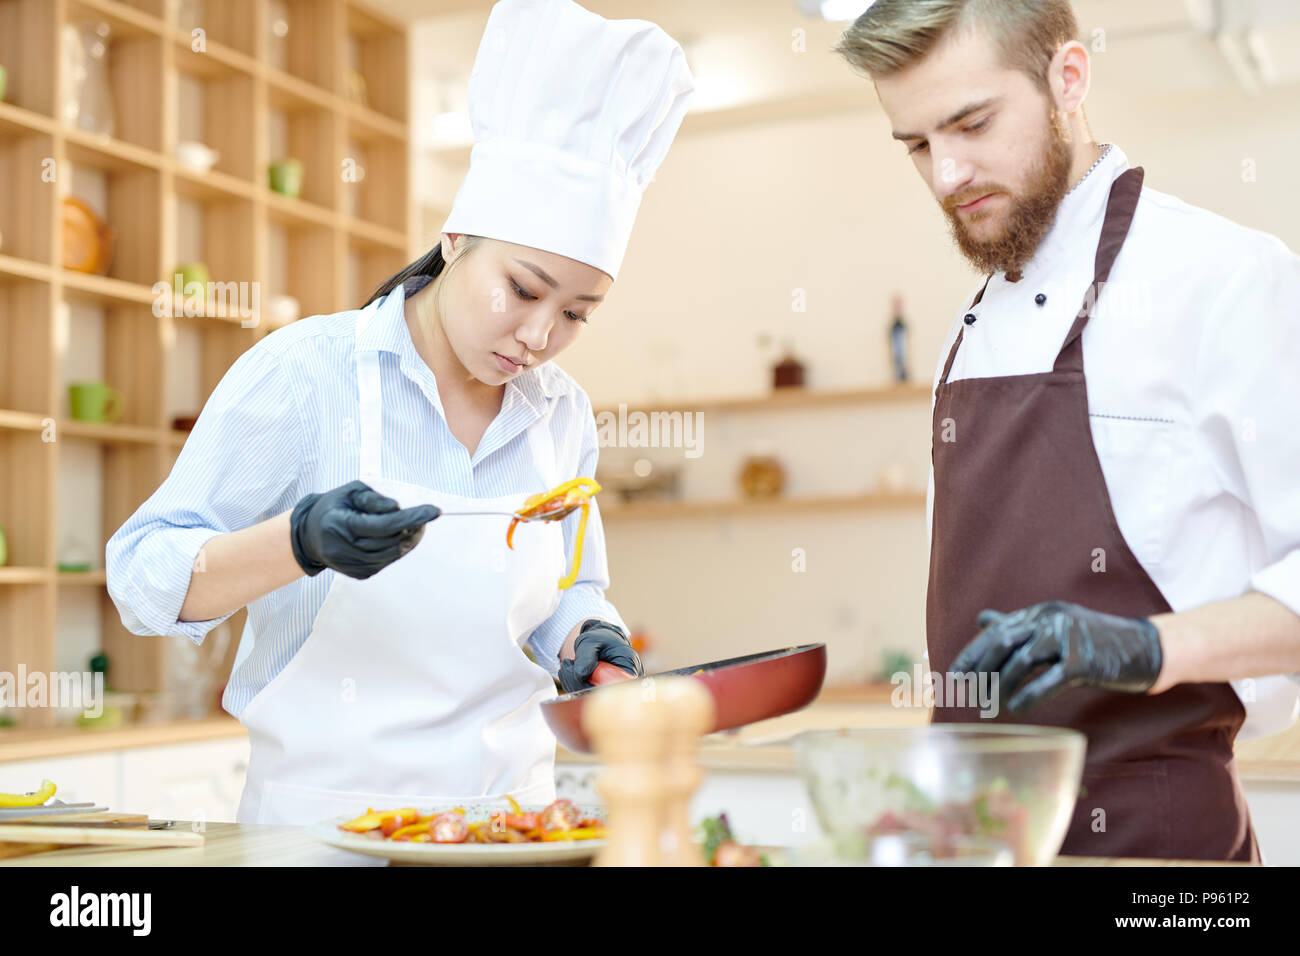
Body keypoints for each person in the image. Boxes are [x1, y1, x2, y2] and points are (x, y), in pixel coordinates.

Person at [106, 0, 694, 827]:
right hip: (321, 833)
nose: (538, 335)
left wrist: (586, 636)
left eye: (577, 313)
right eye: (523, 289)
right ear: (456, 237)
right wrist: (299, 541)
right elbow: (141, 576)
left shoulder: (561, 412)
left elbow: (569, 586)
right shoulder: (306, 374)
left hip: (511, 825)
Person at [835, 0, 1300, 861]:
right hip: (979, 841)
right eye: (916, 145)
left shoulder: (1224, 280)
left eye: (971, 123)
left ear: (1068, 78)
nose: (946, 174)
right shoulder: (968, 327)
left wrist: (1142, 647)